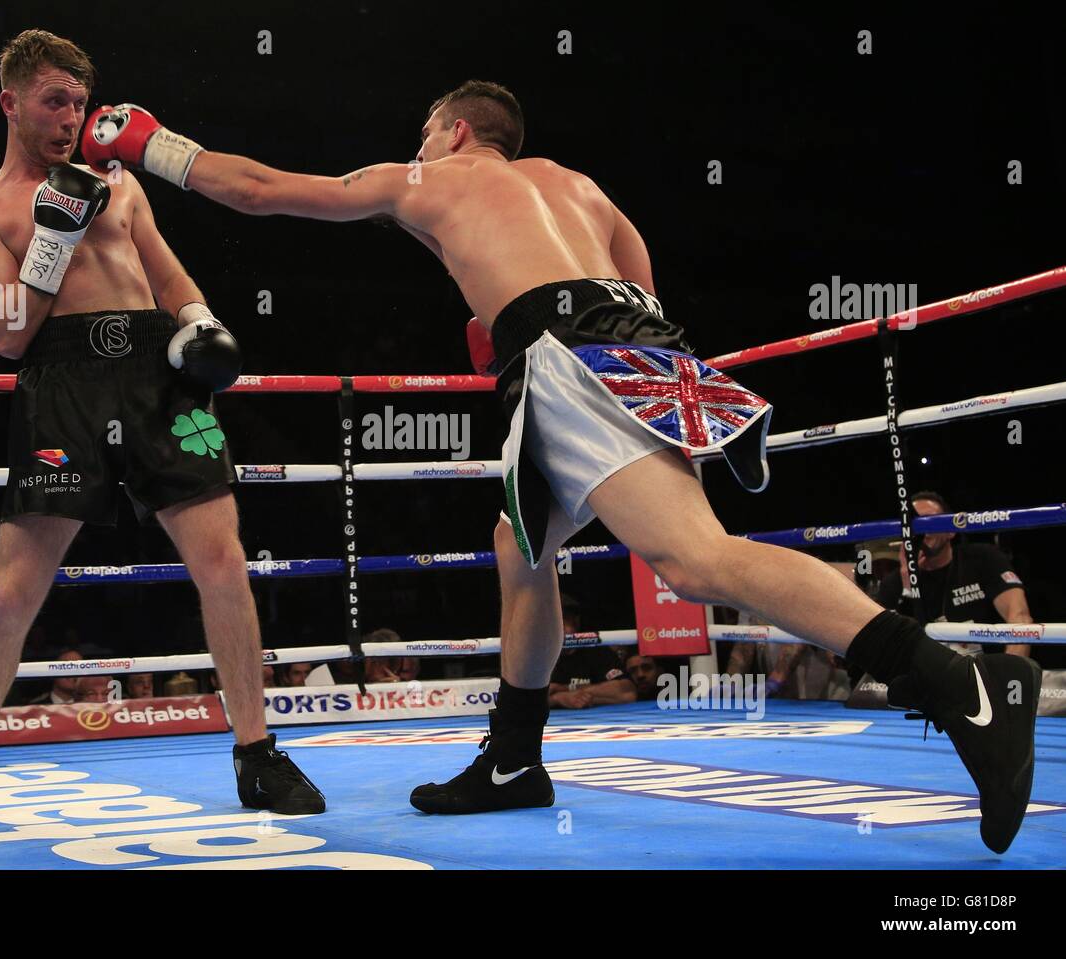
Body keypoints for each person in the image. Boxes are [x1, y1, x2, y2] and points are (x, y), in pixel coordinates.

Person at [84, 81, 1041, 852]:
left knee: (696, 560)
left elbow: (258, 187)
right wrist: (528, 330)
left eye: (425, 131)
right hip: (641, 351)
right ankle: (513, 758)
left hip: (567, 355)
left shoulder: (433, 181)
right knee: (521, 547)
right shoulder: (582, 187)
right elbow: (641, 282)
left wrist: (150, 145)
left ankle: (958, 682)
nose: (416, 147)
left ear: (458, 131)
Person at [0, 30, 322, 828]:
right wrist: (52, 237)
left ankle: (258, 754)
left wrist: (197, 319)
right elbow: (7, 335)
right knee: (17, 588)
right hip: (61, 381)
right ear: (9, 103)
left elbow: (163, 270)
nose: (71, 117)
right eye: (54, 100)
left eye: (80, 102)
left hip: (157, 374)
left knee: (224, 561)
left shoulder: (119, 183)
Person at [878, 491, 1035, 659]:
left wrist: (1008, 674)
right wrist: (908, 587)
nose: (923, 530)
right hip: (928, 677)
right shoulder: (894, 583)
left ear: (951, 531)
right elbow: (889, 648)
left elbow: (1019, 617)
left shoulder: (983, 559)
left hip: (987, 671)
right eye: (916, 524)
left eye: (930, 521)